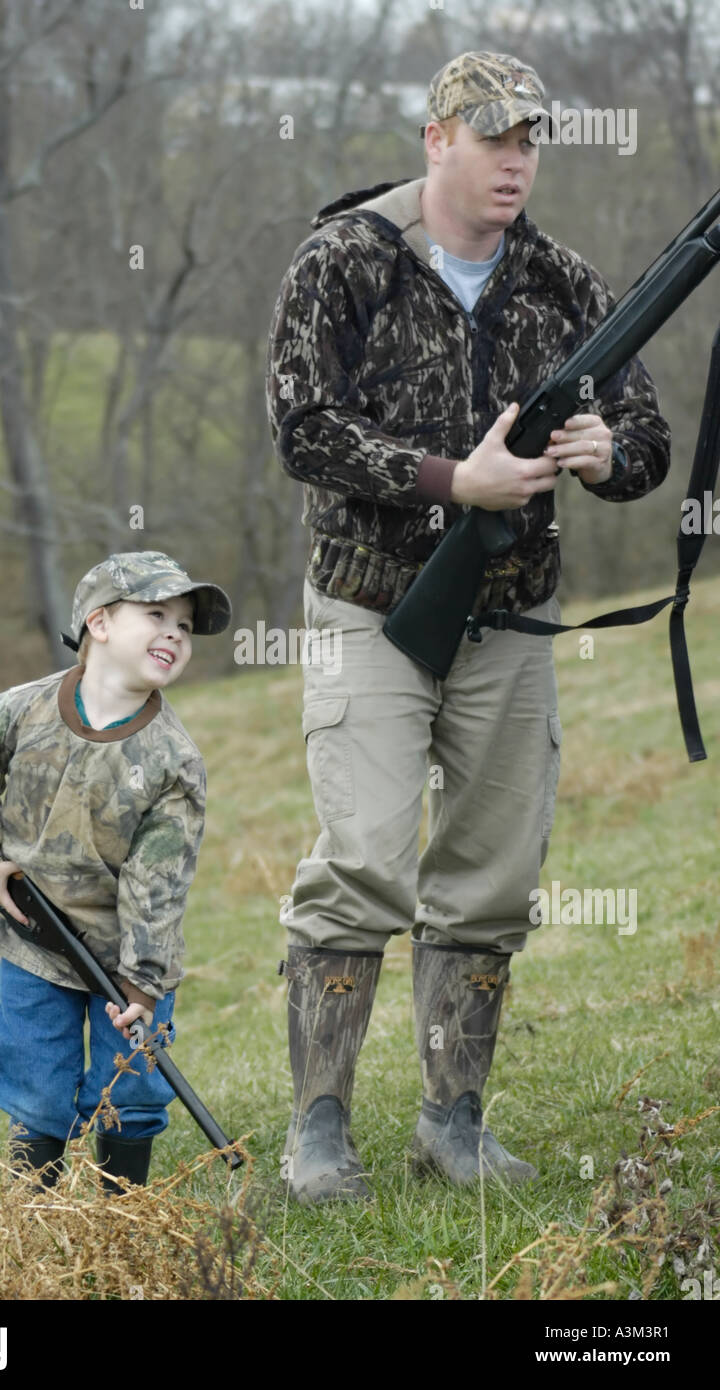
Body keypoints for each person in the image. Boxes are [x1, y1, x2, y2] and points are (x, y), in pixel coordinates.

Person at [266, 51, 671, 1203]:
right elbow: (303, 428)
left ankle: (452, 1119)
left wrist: (608, 456)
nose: (515, 160)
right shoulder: (342, 258)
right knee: (363, 861)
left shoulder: (562, 280)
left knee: (492, 877)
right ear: (436, 137)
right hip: (372, 609)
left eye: (529, 140)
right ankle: (320, 1130)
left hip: (513, 617)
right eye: (492, 137)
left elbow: (646, 439)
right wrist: (457, 479)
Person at [0, 552, 231, 1191]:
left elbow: (160, 885)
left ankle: (122, 1216)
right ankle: (31, 1216)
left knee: (133, 1090)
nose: (176, 633)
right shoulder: (21, 710)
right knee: (36, 1081)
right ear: (98, 622)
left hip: (126, 960)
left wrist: (144, 985)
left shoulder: (172, 761)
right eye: (157, 614)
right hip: (33, 942)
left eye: (185, 625)